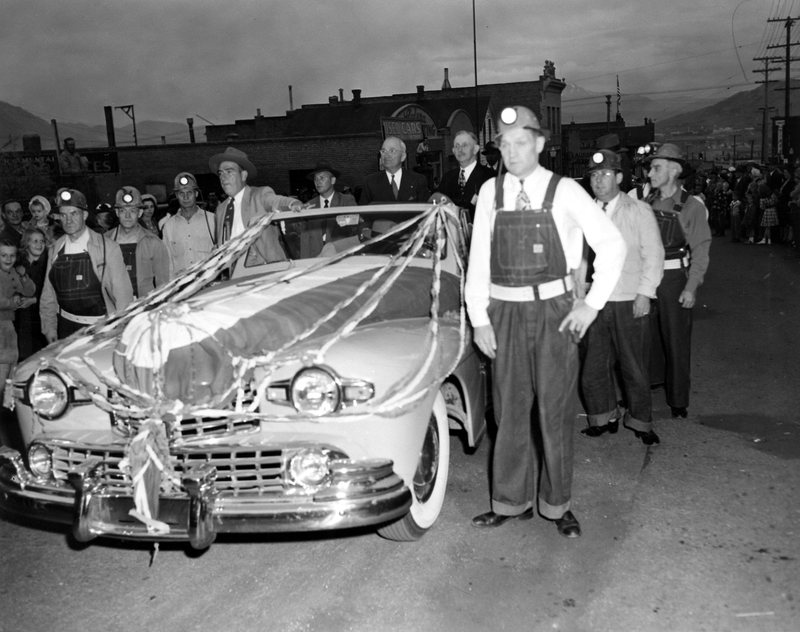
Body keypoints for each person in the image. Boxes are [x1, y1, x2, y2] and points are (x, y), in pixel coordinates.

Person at [466, 106, 626, 537]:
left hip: (555, 312)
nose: (513, 151)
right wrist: (480, 319)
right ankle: (509, 501)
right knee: (509, 410)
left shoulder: (568, 192)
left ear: (539, 143)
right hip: (504, 313)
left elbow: (611, 246)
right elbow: (478, 261)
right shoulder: (490, 195)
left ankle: (558, 506)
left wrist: (591, 304)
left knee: (553, 411)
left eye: (522, 142)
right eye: (505, 143)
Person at [580, 150, 664, 445]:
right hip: (595, 302)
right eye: (593, 176)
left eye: (604, 175)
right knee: (593, 367)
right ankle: (603, 416)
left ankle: (641, 422)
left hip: (629, 299)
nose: (598, 182)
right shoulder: (586, 211)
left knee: (634, 368)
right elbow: (580, 256)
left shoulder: (637, 210)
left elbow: (654, 254)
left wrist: (645, 293)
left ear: (618, 177)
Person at [643, 144, 711, 418]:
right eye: (650, 168)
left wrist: (691, 287)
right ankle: (645, 387)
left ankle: (678, 400)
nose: (649, 173)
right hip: (647, 279)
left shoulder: (692, 207)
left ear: (674, 171)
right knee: (645, 339)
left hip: (674, 280)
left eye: (656, 167)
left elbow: (701, 250)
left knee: (676, 340)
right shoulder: (646, 204)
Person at [40, 189, 133, 343]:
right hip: (65, 328)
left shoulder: (107, 247)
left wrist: (120, 330)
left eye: (74, 214)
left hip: (99, 328)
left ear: (84, 215)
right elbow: (48, 294)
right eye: (64, 215)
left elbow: (123, 294)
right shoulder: (55, 249)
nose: (68, 220)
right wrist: (49, 328)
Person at [209, 147, 302, 273]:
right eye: (220, 173)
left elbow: (275, 201)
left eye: (229, 171)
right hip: (232, 272)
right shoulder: (220, 209)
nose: (223, 177)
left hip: (263, 267)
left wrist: (292, 203)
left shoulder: (259, 195)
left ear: (243, 175)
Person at [110, 186, 170, 298]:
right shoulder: (105, 242)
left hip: (144, 304)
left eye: (132, 210)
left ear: (140, 212)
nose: (127, 216)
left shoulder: (153, 242)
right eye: (123, 210)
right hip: (115, 306)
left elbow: (163, 282)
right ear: (117, 212)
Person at [293, 160, 357, 258]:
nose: (318, 182)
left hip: (339, 257)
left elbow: (355, 222)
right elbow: (301, 232)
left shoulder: (346, 201)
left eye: (322, 178)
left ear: (333, 180)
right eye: (315, 179)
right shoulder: (310, 205)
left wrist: (339, 219)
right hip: (315, 259)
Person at [161, 173, 217, 278]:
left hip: (208, 283)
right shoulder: (169, 226)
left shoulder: (212, 220)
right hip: (182, 286)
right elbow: (168, 263)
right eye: (181, 193)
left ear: (196, 193)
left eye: (189, 192)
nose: (185, 197)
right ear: (176, 195)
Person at [430, 131, 495, 221]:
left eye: (465, 145)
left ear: (475, 149)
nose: (460, 150)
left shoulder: (490, 176)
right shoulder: (447, 178)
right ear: (453, 151)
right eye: (457, 146)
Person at [0, 240, 35, 398]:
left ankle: (8, 400)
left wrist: (24, 276)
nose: (8, 259)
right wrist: (13, 302)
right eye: (3, 255)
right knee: (3, 362)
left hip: (9, 323)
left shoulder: (14, 272)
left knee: (12, 360)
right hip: (2, 323)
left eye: (12, 256)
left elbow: (29, 291)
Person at [358, 137, 430, 205]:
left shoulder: (418, 180)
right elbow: (362, 214)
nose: (386, 155)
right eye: (383, 151)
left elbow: (428, 213)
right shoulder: (370, 182)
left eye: (392, 151)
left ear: (403, 156)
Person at [15, 228, 49, 360]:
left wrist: (35, 300)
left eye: (42, 241)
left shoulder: (48, 264)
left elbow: (53, 290)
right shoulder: (18, 264)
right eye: (35, 241)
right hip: (21, 318)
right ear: (26, 243)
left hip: (41, 316)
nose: (39, 244)